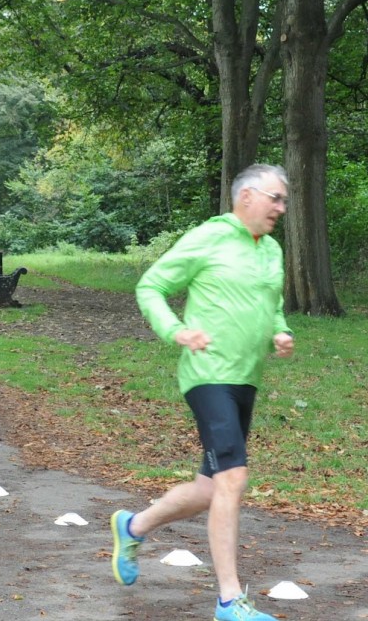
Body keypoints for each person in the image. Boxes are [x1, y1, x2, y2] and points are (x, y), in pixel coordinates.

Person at [110, 163, 295, 621]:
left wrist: (280, 330)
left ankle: (133, 526)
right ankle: (230, 601)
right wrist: (175, 330)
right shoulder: (209, 237)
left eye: (285, 200)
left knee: (210, 488)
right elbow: (151, 285)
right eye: (275, 198)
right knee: (233, 478)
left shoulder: (271, 250)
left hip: (246, 377)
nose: (281, 208)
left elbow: (270, 302)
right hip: (207, 373)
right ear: (246, 196)